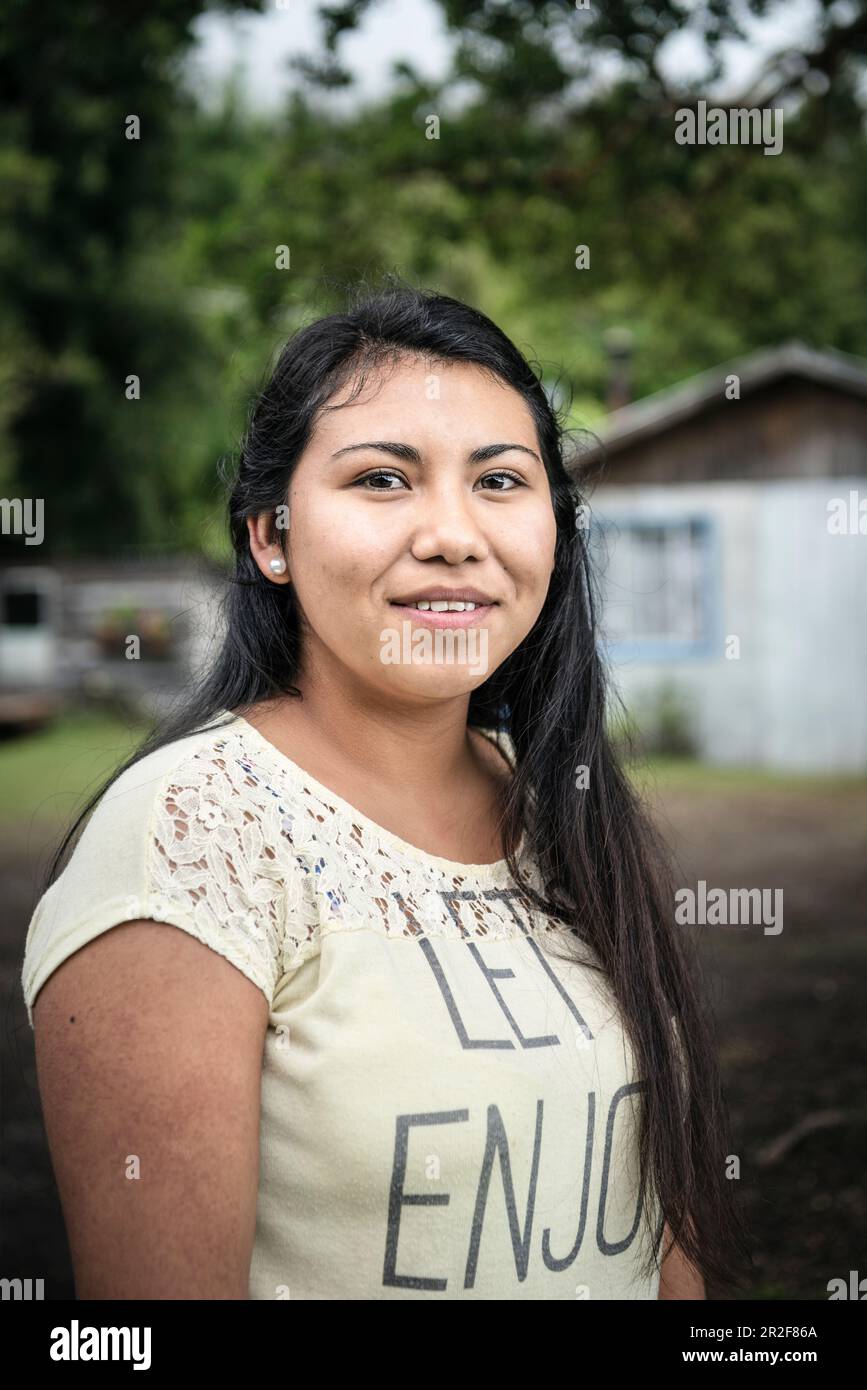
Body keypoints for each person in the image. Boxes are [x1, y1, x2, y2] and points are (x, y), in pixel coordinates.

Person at [22, 279, 750, 1299]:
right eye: (382, 480)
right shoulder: (190, 834)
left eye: (500, 482)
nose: (454, 534)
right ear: (270, 537)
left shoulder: (559, 805)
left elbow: (665, 1243)